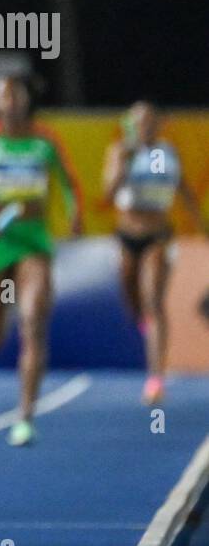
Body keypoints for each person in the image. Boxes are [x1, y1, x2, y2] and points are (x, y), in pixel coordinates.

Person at [0, 74, 82, 445]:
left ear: (25, 97)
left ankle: (25, 415)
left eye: (15, 91)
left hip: (33, 238)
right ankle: (2, 299)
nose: (9, 98)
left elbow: (69, 181)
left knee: (34, 322)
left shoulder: (45, 139)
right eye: (1, 94)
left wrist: (74, 214)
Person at [103, 101, 207, 404]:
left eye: (150, 121)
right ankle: (144, 322)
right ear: (130, 125)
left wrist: (199, 223)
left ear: (158, 124)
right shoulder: (120, 151)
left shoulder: (165, 152)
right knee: (132, 297)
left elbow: (181, 187)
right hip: (126, 235)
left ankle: (155, 378)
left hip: (158, 235)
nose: (145, 127)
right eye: (139, 122)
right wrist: (124, 163)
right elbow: (108, 194)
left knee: (153, 300)